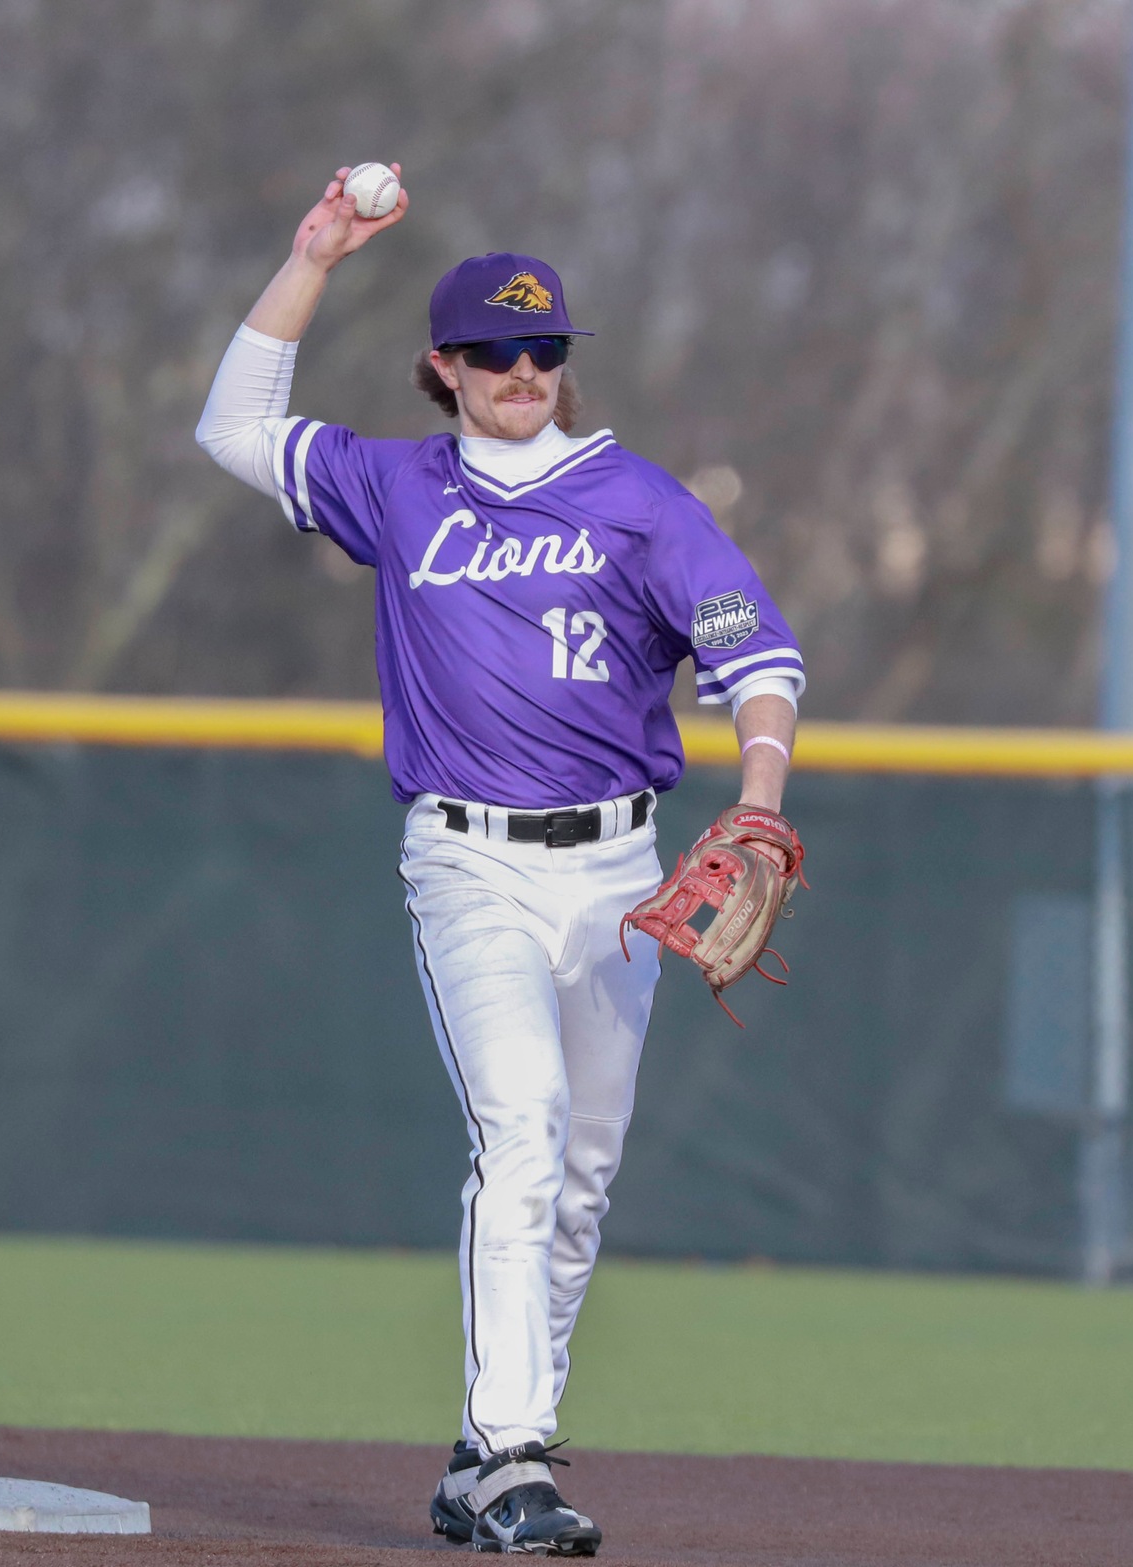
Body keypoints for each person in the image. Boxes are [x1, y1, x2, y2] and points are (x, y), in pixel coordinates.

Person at [193, 167, 802, 1556]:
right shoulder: (396, 486)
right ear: (445, 368)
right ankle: (516, 1455)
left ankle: (488, 1452)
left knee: (579, 1178)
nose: (523, 372)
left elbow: (756, 655)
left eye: (543, 350)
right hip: (468, 864)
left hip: (621, 874)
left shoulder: (641, 502)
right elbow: (233, 427)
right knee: (521, 1130)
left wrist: (760, 800)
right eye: (493, 352)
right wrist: (312, 257)